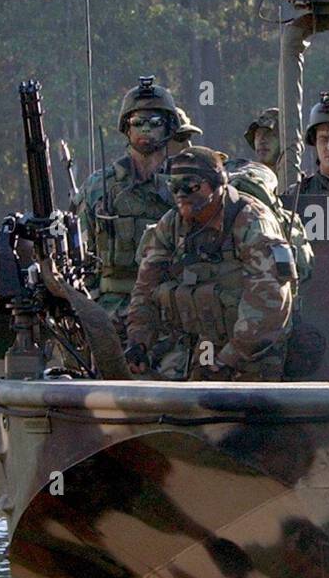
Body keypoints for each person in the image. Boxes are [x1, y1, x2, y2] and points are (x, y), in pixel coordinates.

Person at [125, 146, 295, 382]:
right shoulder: (172, 224)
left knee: (244, 414)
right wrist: (138, 342)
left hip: (255, 349)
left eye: (191, 186)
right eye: (174, 186)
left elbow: (271, 300)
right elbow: (145, 287)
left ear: (218, 185)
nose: (181, 194)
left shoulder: (252, 221)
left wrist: (229, 359)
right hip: (203, 343)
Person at [75, 77, 199, 337]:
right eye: (137, 123)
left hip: (168, 311)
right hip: (109, 311)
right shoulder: (99, 187)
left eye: (154, 123)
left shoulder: (186, 186)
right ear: (126, 129)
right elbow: (80, 257)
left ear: (169, 129)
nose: (145, 130)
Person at [244, 107, 286, 183]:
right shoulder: (248, 182)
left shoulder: (304, 187)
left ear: (283, 139)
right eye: (258, 135)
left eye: (269, 134)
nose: (261, 140)